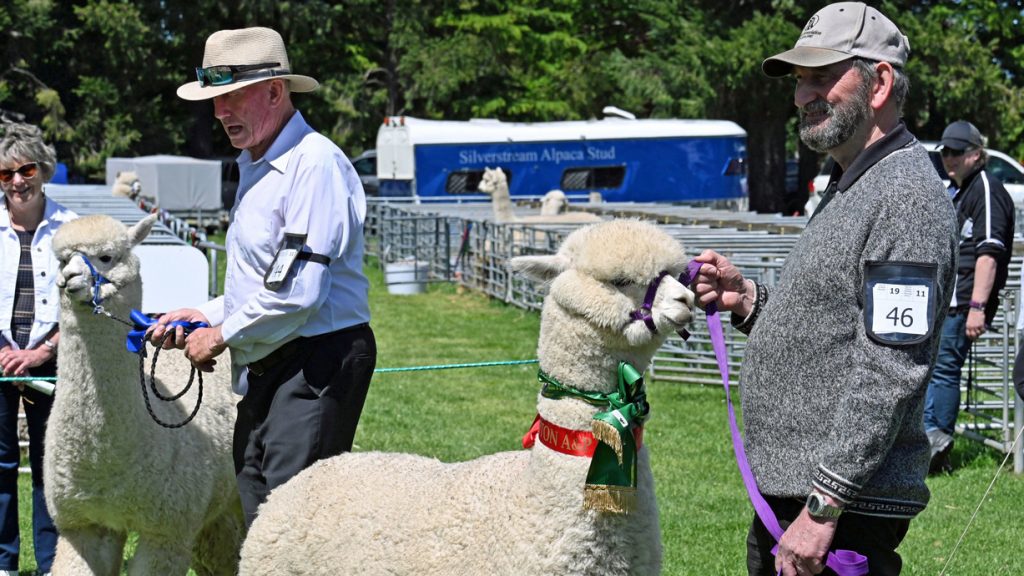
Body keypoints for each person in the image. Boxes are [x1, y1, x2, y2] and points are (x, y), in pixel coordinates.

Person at [693, 3, 958, 575]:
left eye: (821, 76)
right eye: (798, 80)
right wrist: (749, 300)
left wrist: (823, 506)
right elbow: (834, 329)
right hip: (804, 500)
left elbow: (892, 366)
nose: (801, 96)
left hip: (837, 512)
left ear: (879, 82)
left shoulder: (905, 196)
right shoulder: (851, 182)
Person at [150, 27, 376, 528]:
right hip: (273, 358)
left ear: (276, 91)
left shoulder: (313, 163)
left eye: (230, 96)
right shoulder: (256, 162)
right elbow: (266, 278)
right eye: (214, 99)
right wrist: (204, 313)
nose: (218, 111)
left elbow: (299, 292)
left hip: (318, 357)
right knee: (256, 497)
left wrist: (220, 334)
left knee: (292, 522)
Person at [0, 123, 77, 576]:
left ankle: (52, 565)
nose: (16, 182)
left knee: (52, 469)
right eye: (5, 174)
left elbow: (86, 305)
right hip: (1, 362)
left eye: (25, 170)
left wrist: (42, 352)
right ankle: (4, 564)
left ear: (42, 170)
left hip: (53, 363)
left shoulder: (70, 228)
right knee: (1, 464)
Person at [922, 121, 1014, 474]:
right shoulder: (959, 190)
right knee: (934, 370)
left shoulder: (987, 190)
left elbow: (988, 254)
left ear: (976, 154)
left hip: (962, 303)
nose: (949, 157)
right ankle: (929, 442)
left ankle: (937, 445)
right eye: (945, 151)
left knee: (944, 371)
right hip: (947, 300)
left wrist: (977, 307)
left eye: (956, 151)